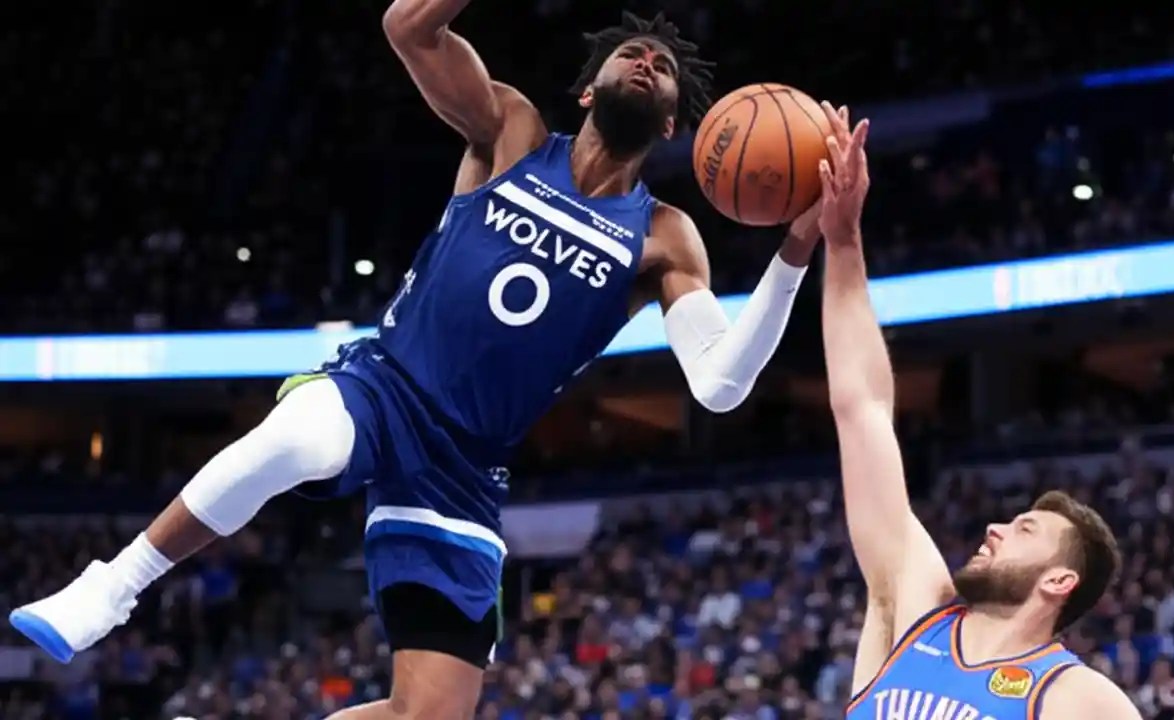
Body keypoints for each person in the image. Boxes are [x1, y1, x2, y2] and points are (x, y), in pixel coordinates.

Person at [11, 2, 861, 717]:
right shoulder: (515, 133)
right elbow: (408, 27)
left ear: (675, 124)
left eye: (663, 67)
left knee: (428, 715)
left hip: (467, 467)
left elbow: (719, 385)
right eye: (631, 54)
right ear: (586, 90)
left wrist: (796, 245)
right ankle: (113, 586)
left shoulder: (665, 237)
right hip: (385, 387)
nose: (647, 62)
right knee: (298, 439)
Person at [816, 117, 1142, 719]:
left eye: (1024, 530)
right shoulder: (917, 612)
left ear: (1058, 581)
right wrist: (842, 245)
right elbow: (862, 410)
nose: (994, 528)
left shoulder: (1080, 699)